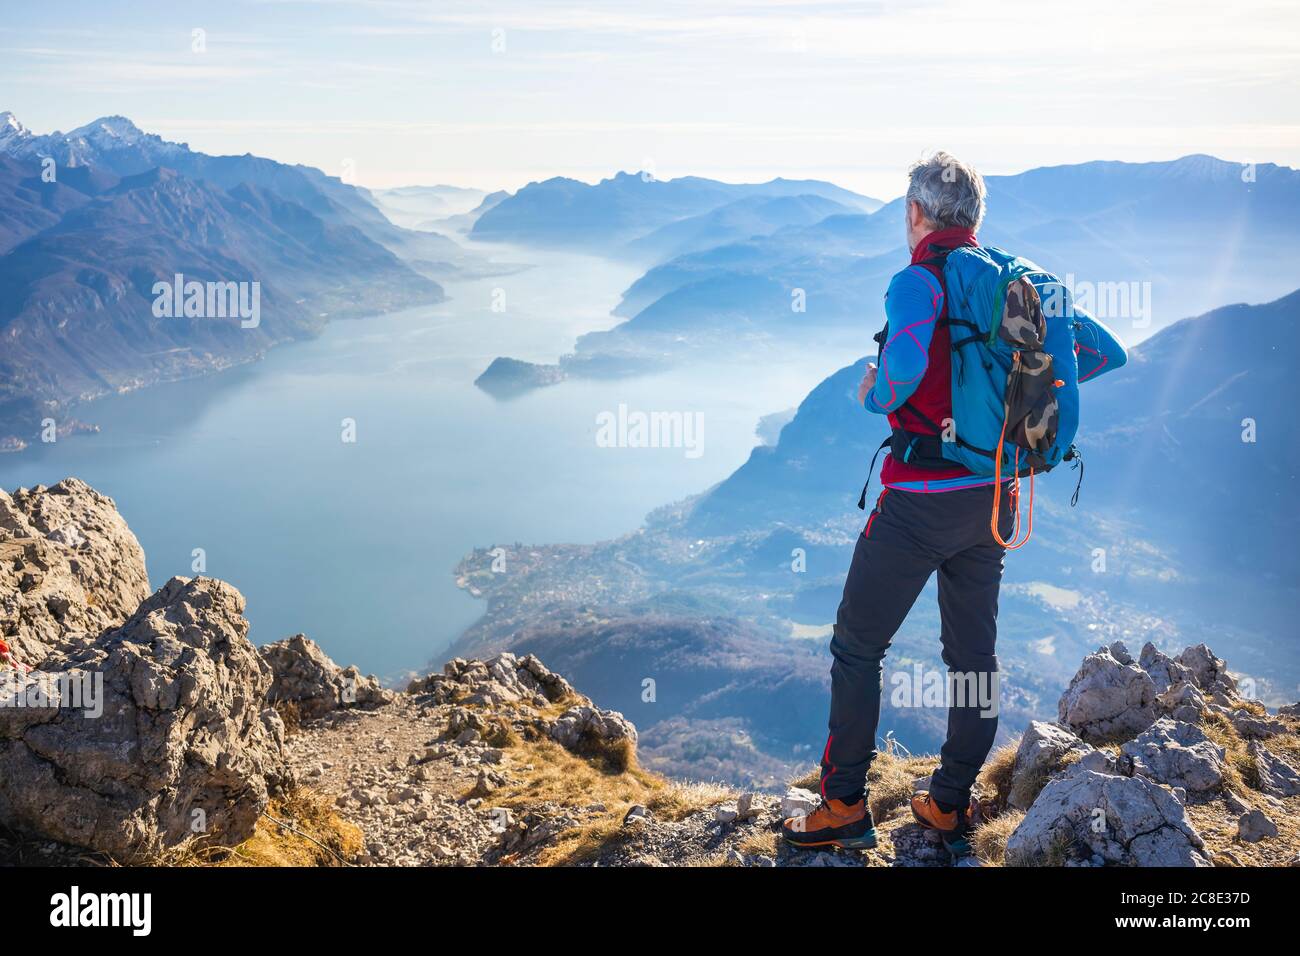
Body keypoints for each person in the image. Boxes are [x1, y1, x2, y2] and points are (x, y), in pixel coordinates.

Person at [781, 151, 1128, 856]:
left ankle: (844, 804)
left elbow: (903, 368)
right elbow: (1100, 352)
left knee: (858, 645)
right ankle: (949, 802)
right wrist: (1012, 392)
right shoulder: (1013, 279)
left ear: (915, 213)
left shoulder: (919, 280)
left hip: (919, 502)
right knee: (972, 655)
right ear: (974, 217)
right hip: (994, 496)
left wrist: (874, 389)